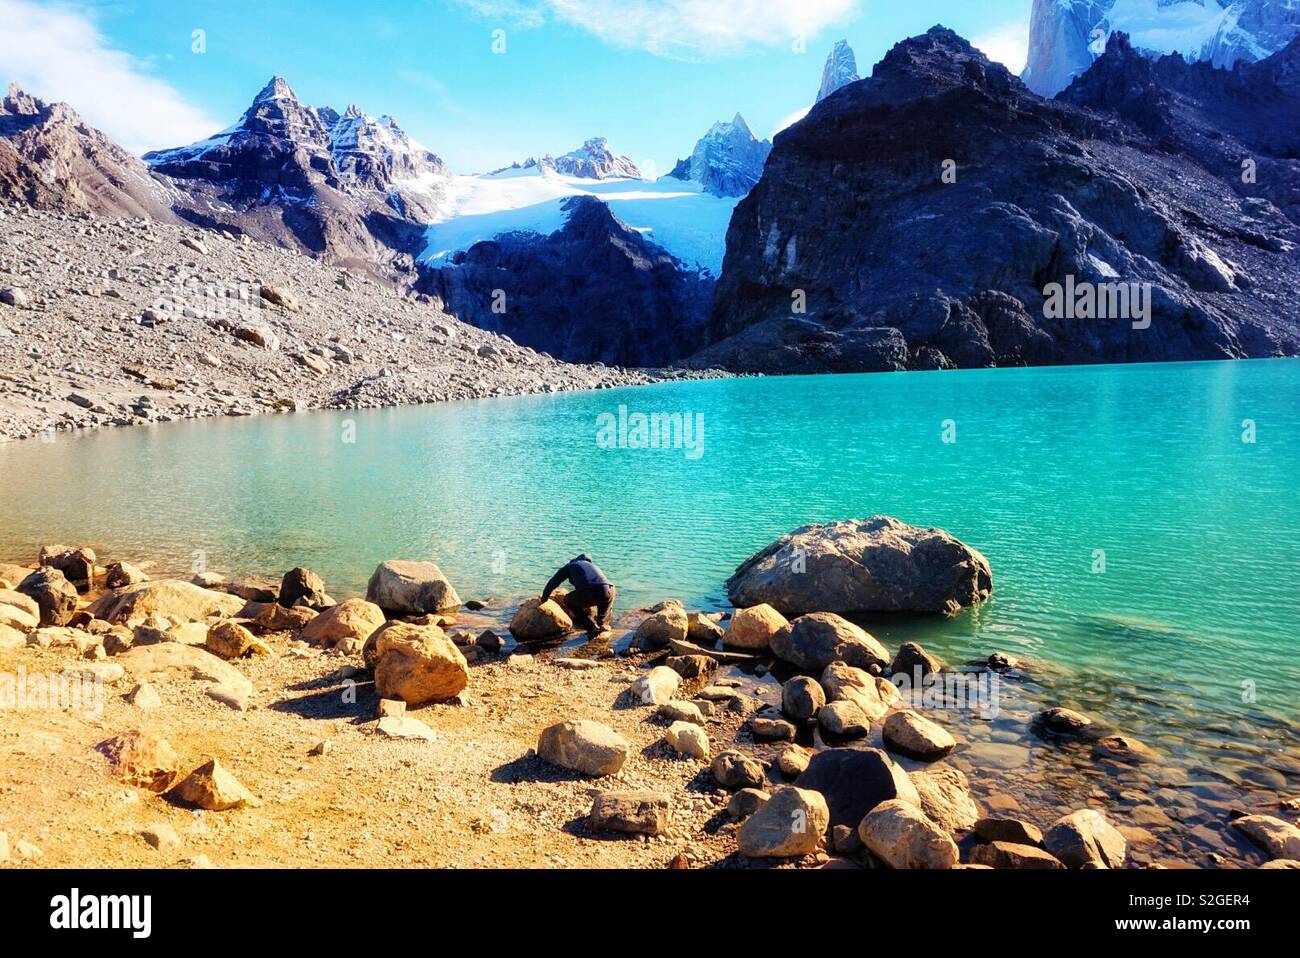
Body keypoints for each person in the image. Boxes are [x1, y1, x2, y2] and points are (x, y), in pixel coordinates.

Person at [541, 554, 616, 639]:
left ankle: (591, 628)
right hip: (610, 589)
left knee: (568, 600)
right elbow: (600, 585)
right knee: (603, 598)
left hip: (591, 592)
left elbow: (553, 582)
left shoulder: (569, 566)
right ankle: (602, 625)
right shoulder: (592, 566)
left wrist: (544, 598)